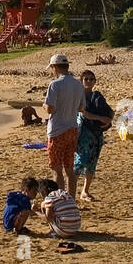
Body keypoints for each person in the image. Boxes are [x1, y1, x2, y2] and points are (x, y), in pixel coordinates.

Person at [43, 53, 83, 194]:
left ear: (55, 67)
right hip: (72, 129)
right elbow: (81, 108)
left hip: (57, 130)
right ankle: (71, 200)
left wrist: (44, 106)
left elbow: (50, 108)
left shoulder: (55, 84)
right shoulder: (78, 84)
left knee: (56, 169)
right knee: (69, 169)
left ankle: (60, 201)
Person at [73, 70, 114, 201]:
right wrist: (102, 118)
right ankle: (71, 193)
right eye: (86, 79)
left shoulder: (97, 97)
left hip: (96, 134)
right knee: (80, 162)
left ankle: (85, 191)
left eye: (91, 79)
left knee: (92, 163)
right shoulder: (79, 97)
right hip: (84, 134)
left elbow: (110, 113)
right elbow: (84, 114)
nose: (89, 81)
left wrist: (105, 121)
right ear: (81, 81)